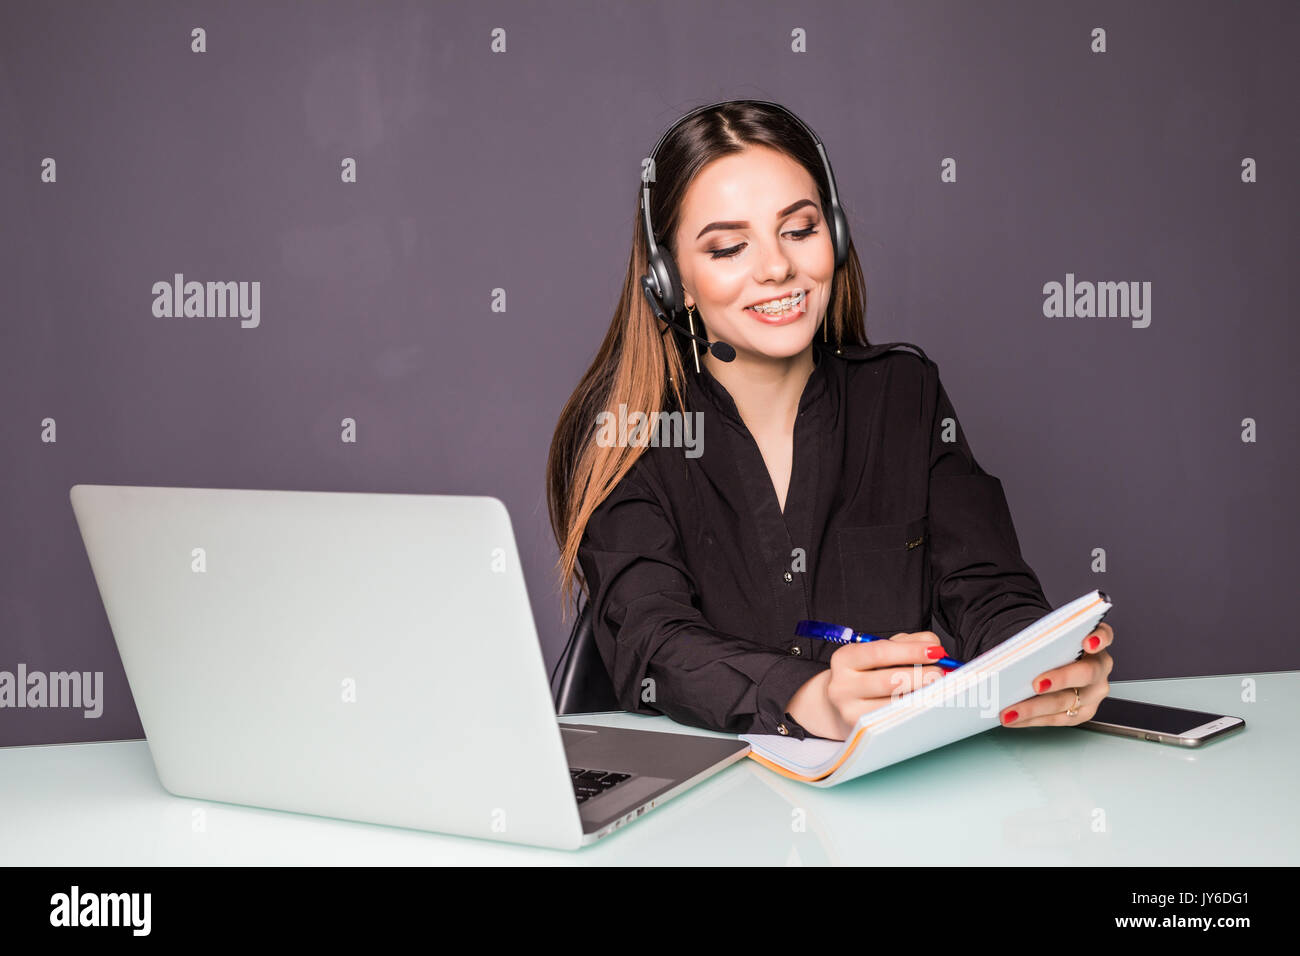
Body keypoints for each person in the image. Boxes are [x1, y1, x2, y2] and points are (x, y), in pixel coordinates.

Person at [545, 100, 1113, 742]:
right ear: (672, 282)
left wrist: (1041, 662)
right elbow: (654, 640)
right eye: (729, 247)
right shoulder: (626, 433)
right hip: (702, 805)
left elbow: (984, 585)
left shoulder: (905, 396)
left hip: (894, 801)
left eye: (799, 229)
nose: (777, 268)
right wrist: (808, 696)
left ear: (835, 236)